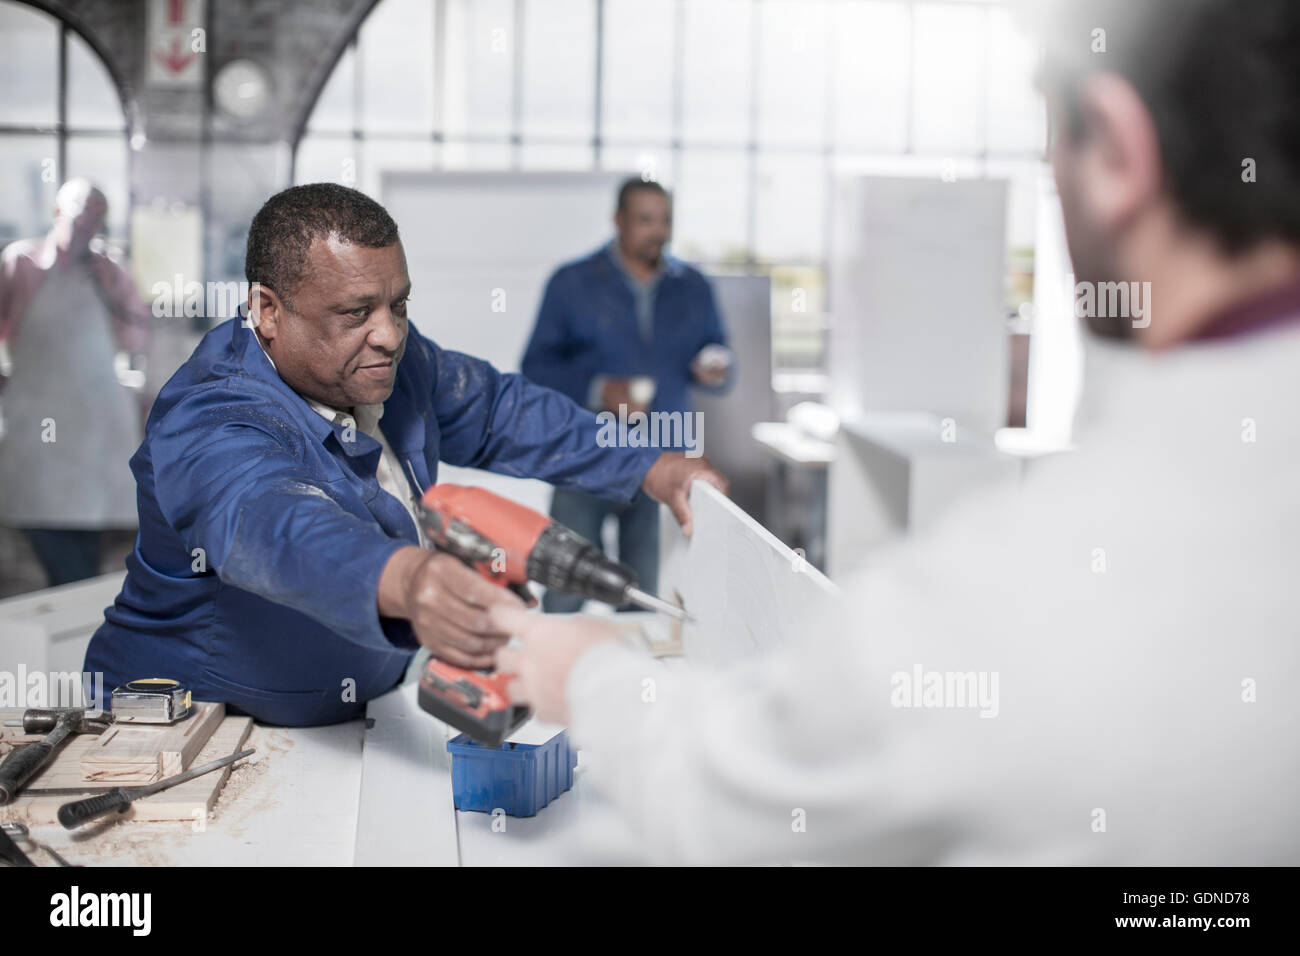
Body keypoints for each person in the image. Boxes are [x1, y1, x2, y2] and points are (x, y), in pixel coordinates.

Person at [490, 0, 1300, 864]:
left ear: (1116, 152)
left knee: (635, 607)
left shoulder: (992, 596)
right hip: (602, 459)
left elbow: (734, 800)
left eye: (1049, 135)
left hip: (654, 471)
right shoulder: (575, 283)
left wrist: (584, 674)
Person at [84, 183, 726, 726]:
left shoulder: (387, 362)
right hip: (195, 731)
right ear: (267, 310)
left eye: (399, 305)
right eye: (355, 311)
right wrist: (410, 580)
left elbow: (504, 410)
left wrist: (648, 462)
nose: (388, 334)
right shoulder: (212, 416)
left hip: (347, 713)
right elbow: (276, 524)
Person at [521, 178, 733, 613]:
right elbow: (536, 367)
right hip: (584, 454)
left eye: (665, 220)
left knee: (649, 595)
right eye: (645, 220)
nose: (658, 230)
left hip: (661, 459)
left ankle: (639, 682)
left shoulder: (694, 287)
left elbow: (722, 360)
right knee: (565, 588)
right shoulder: (571, 283)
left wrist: (715, 366)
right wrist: (600, 387)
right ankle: (554, 673)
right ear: (618, 221)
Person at [0, 179, 149, 587]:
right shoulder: (21, 264)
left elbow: (136, 338)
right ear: (56, 214)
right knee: (45, 525)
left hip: (95, 428)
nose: (86, 232)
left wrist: (108, 286)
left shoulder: (111, 270)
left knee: (87, 534)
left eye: (95, 223)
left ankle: (75, 615)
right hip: (39, 424)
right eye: (79, 221)